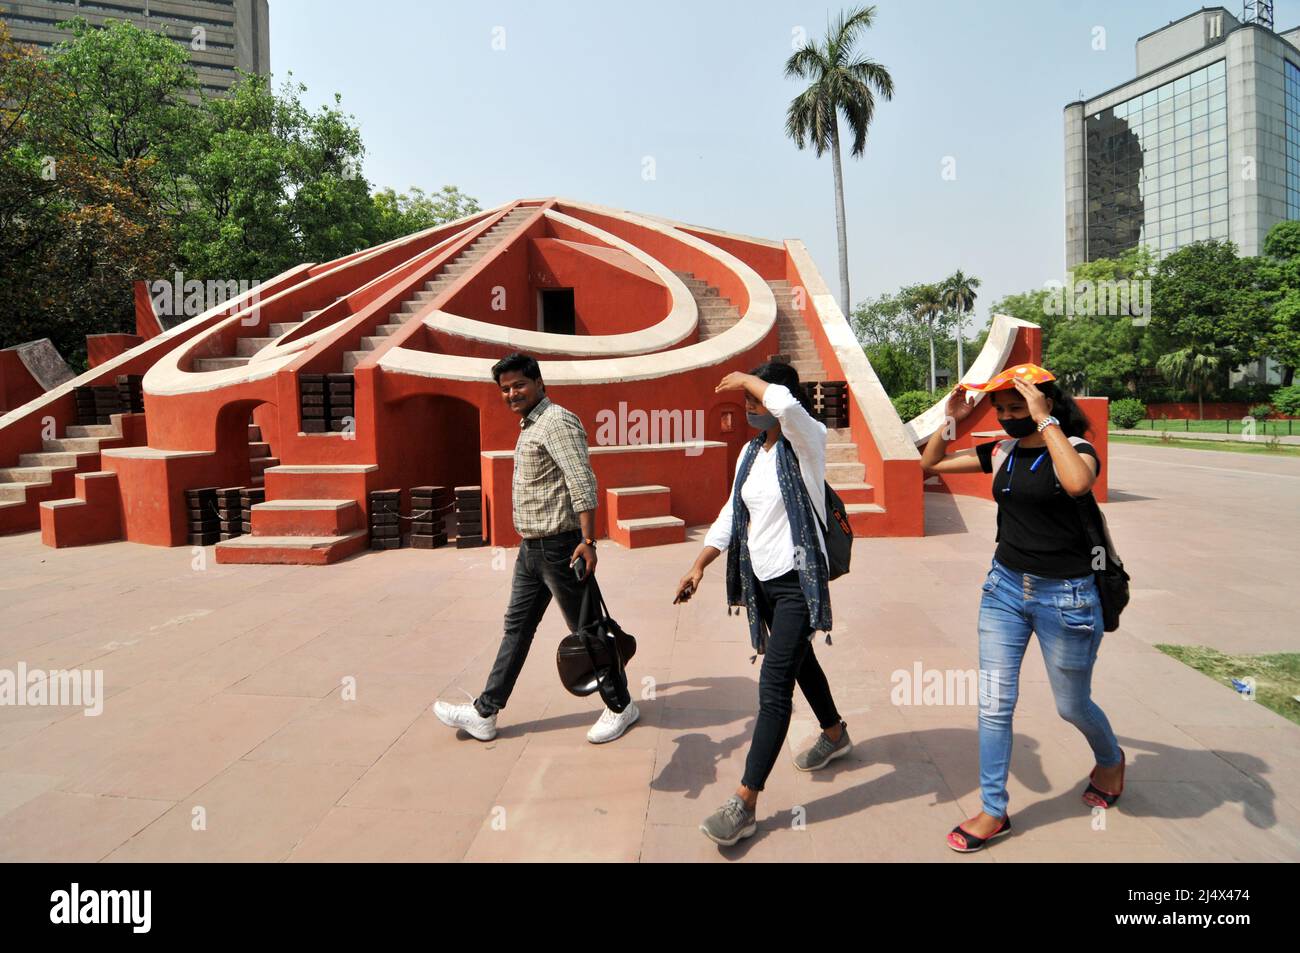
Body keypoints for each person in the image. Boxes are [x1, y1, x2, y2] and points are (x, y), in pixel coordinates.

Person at [919, 364, 1125, 853]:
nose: (1010, 417)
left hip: (1068, 597)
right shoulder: (1002, 451)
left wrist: (1044, 419)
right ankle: (994, 810)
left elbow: (1078, 485)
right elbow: (931, 464)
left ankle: (1111, 758)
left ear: (1045, 403)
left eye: (1019, 407)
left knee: (1071, 704)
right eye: (1004, 409)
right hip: (1005, 591)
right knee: (993, 704)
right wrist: (949, 418)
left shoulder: (1076, 449)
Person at [675, 363, 849, 847]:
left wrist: (749, 381)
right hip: (763, 582)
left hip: (798, 582)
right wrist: (700, 564)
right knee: (800, 660)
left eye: (755, 400)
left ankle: (745, 801)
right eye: (747, 401)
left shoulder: (807, 441)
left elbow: (788, 406)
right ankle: (835, 733)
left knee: (774, 687)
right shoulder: (750, 453)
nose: (749, 408)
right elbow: (734, 512)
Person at [433, 352, 639, 744]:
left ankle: (620, 706)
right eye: (505, 389)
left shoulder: (556, 422)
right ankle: (485, 712)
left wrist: (588, 540)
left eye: (519, 385)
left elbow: (582, 482)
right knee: (517, 630)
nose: (512, 394)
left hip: (563, 548)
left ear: (539, 382)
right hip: (532, 551)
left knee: (588, 632)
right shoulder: (531, 424)